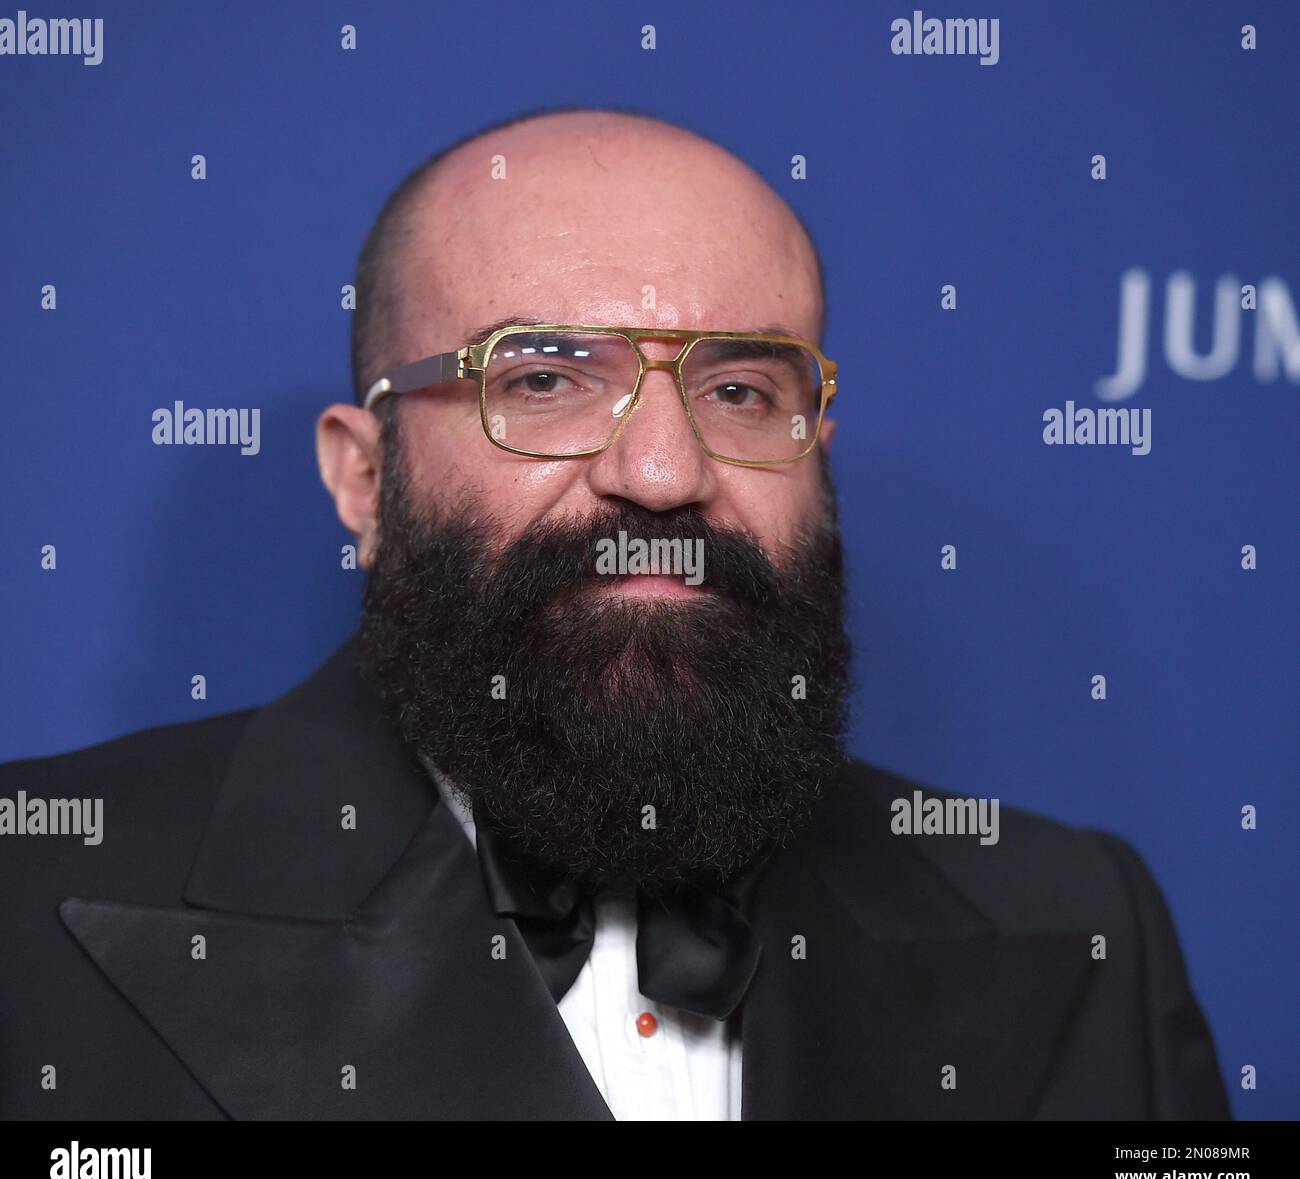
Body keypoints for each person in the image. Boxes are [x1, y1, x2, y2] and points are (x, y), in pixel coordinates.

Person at [0, 107, 1229, 1121]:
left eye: (740, 389)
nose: (659, 471)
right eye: (541, 380)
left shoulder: (1075, 918)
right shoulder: (27, 897)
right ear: (364, 478)